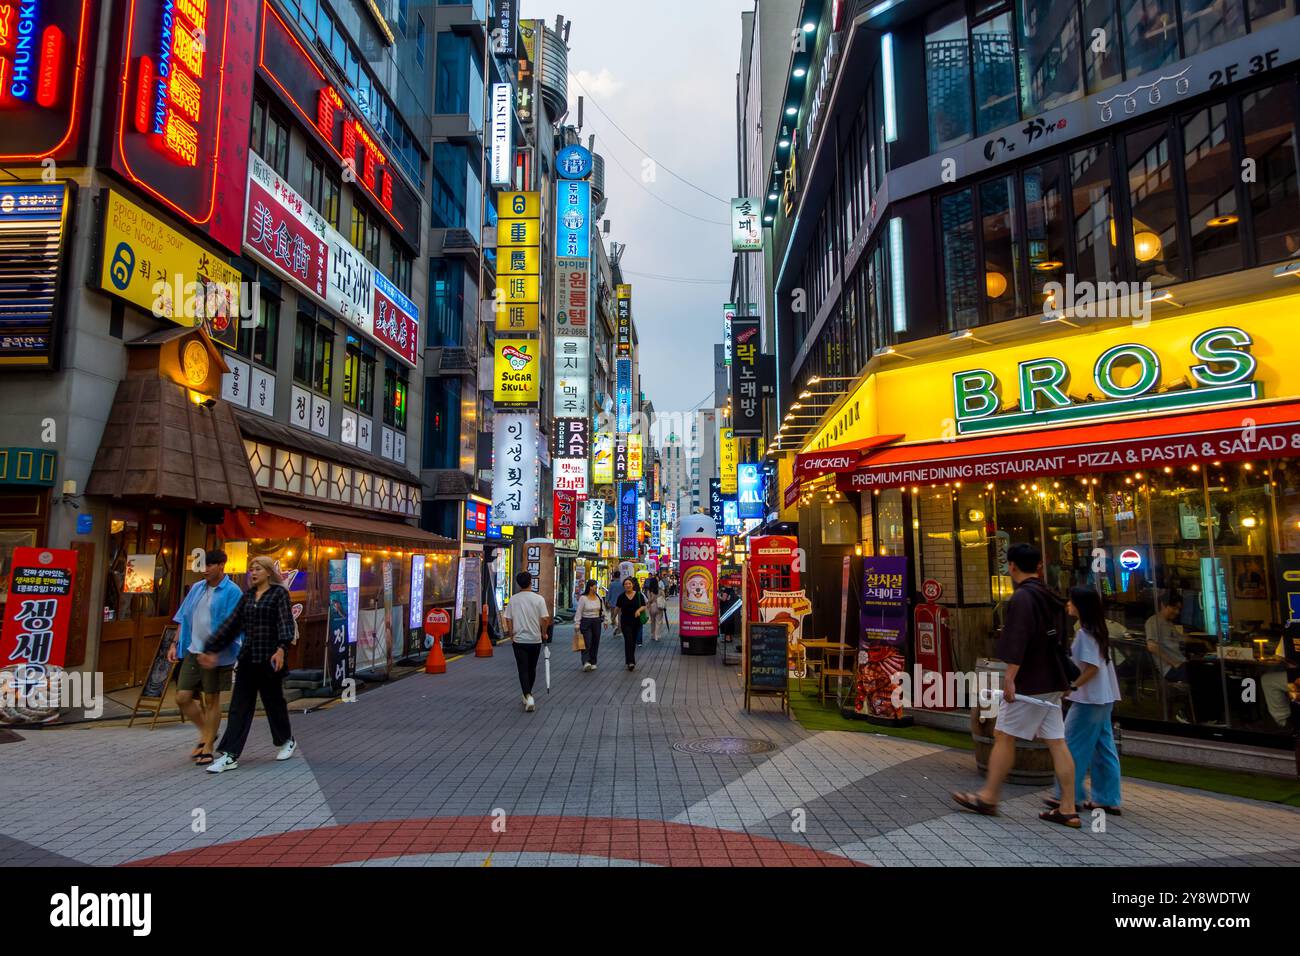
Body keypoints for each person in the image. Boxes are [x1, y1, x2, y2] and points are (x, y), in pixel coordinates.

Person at [953, 543, 1079, 827]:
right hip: (1053, 679)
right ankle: (1068, 807)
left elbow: (1018, 639)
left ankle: (988, 796)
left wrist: (1010, 676)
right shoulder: (1051, 596)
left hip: (1031, 681)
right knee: (1057, 742)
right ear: (1039, 566)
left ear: (1011, 566)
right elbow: (1060, 639)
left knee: (1003, 734)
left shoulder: (1022, 599)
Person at [200, 557, 297, 774]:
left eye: (258, 569)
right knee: (239, 706)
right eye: (251, 569)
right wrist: (211, 647)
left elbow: (285, 622)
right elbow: (231, 625)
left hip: (270, 658)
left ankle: (286, 740)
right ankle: (230, 755)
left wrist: (282, 648)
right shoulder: (247, 597)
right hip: (247, 658)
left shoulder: (278, 594)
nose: (253, 573)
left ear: (269, 572)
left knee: (273, 703)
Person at [1046, 587, 1123, 815]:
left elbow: (1092, 667)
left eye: (1071, 601)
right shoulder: (1098, 630)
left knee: (1071, 745)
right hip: (1104, 697)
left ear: (1080, 605)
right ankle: (1107, 798)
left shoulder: (1084, 633)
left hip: (1089, 699)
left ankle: (1068, 795)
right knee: (1104, 747)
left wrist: (1072, 686)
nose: (1068, 604)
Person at [169, 550, 244, 767]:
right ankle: (207, 732)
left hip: (217, 654)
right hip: (193, 650)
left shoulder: (232, 591)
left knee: (212, 699)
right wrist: (174, 644)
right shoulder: (197, 588)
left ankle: (208, 745)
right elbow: (183, 617)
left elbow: (233, 625)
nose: (206, 570)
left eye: (210, 565)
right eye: (204, 566)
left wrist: (215, 651)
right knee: (183, 697)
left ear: (221, 565)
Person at [502, 570, 551, 712]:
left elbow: (508, 618)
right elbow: (545, 618)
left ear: (518, 583)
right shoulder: (538, 599)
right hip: (535, 640)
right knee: (532, 668)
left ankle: (528, 695)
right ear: (531, 582)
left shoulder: (513, 599)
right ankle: (528, 694)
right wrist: (544, 633)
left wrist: (511, 634)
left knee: (522, 669)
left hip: (519, 640)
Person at [615, 576, 647, 671]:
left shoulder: (638, 595)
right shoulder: (621, 596)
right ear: (623, 586)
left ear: (632, 585)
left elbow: (644, 606)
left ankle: (629, 660)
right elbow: (617, 608)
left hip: (636, 622)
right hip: (625, 621)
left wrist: (638, 610)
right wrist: (612, 618)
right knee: (628, 640)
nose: (627, 585)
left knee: (632, 641)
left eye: (629, 584)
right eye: (625, 584)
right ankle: (631, 662)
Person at [576, 580, 604, 672]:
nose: (596, 588)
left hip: (596, 621)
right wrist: (577, 623)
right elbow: (579, 611)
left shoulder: (599, 597)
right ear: (590, 587)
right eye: (595, 586)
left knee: (595, 641)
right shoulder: (583, 598)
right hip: (585, 621)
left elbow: (602, 609)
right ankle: (586, 662)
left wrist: (606, 620)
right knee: (587, 642)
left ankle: (593, 662)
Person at [644, 572, 662, 641]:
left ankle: (652, 635)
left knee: (652, 621)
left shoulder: (649, 591)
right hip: (659, 606)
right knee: (658, 621)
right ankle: (657, 635)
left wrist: (649, 603)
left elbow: (649, 599)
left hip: (652, 607)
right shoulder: (660, 590)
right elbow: (663, 596)